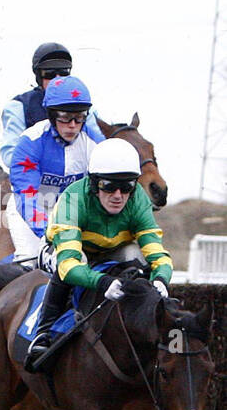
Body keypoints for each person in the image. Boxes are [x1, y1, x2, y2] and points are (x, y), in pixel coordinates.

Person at [24, 138, 172, 370]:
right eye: (108, 186)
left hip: (110, 250)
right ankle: (44, 331)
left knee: (138, 257)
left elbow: (158, 254)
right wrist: (102, 282)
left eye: (126, 187)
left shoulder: (138, 200)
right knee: (76, 263)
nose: (118, 195)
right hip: (66, 250)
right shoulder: (74, 199)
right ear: (93, 184)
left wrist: (162, 278)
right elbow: (69, 265)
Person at [7, 76, 98, 265]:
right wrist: (51, 233)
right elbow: (27, 195)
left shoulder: (94, 142)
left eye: (79, 117)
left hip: (74, 212)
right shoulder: (30, 142)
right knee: (31, 260)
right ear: (51, 115)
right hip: (32, 209)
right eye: (65, 117)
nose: (73, 125)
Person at [0, 42, 104, 168]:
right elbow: (10, 155)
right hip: (35, 180)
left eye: (63, 72)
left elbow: (99, 149)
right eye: (50, 73)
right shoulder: (18, 107)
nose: (58, 78)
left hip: (76, 178)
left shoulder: (84, 106)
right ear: (38, 76)